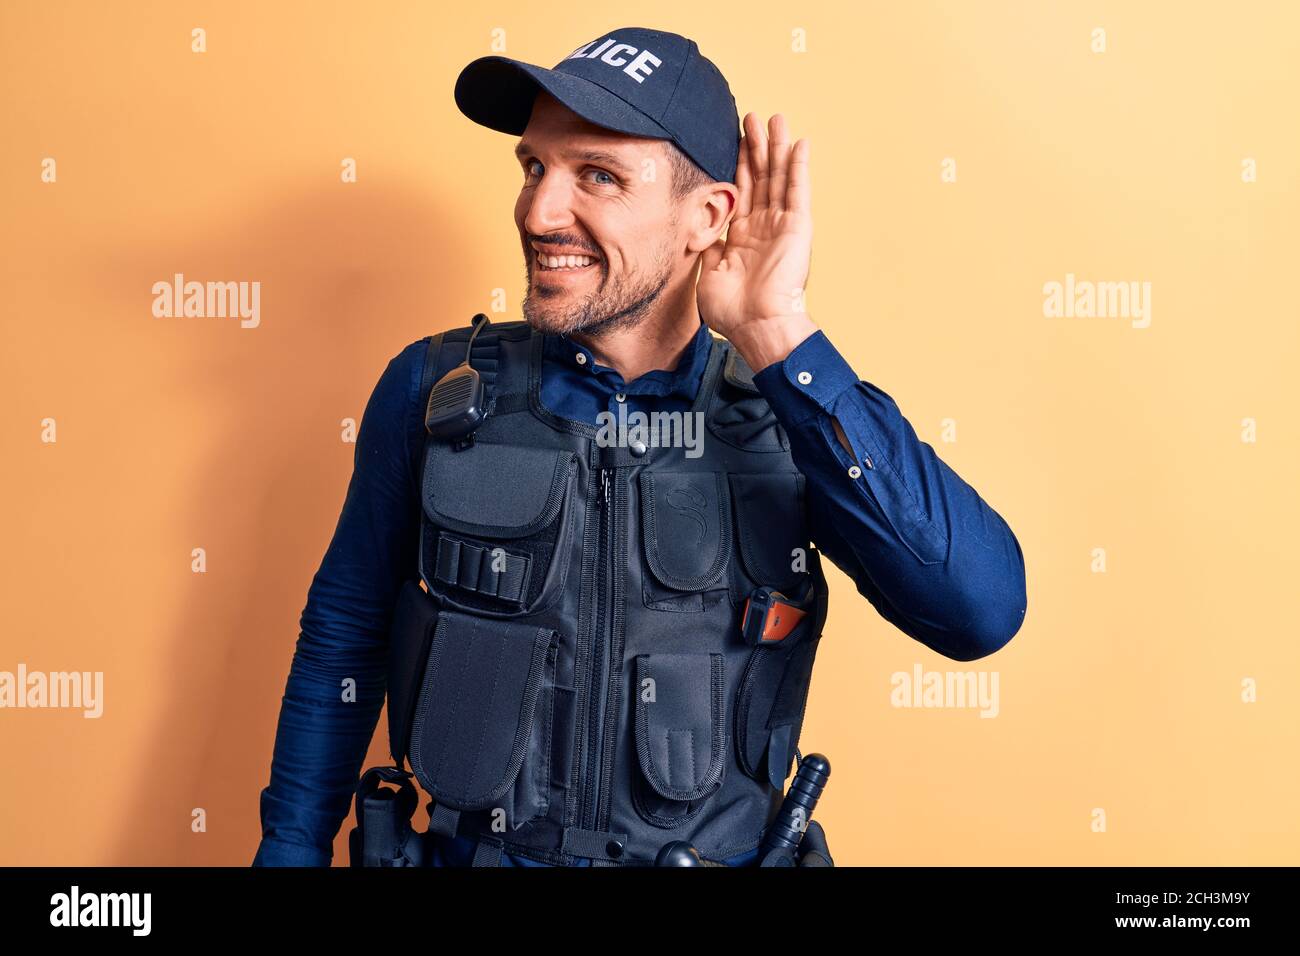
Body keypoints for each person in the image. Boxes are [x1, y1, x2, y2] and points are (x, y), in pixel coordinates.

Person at [253, 26, 1027, 867]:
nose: (541, 211)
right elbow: (344, 633)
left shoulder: (788, 419)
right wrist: (288, 851)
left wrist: (780, 338)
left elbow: (978, 611)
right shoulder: (435, 391)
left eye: (598, 176)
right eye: (534, 167)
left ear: (706, 217)